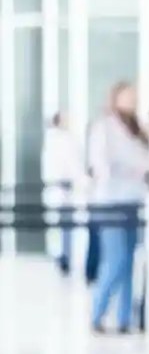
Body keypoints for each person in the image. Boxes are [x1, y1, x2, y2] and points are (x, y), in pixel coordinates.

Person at [86, 83, 149, 335]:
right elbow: (101, 163)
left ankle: (125, 318)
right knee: (116, 259)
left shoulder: (138, 127)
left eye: (134, 95)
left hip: (133, 199)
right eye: (127, 96)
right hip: (110, 200)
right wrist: (129, 168)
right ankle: (97, 313)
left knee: (129, 262)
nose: (132, 100)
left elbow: (146, 159)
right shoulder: (104, 126)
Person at [41, 112, 80, 275]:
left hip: (60, 189)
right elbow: (71, 166)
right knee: (65, 226)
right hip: (63, 188)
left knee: (64, 227)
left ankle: (63, 256)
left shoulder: (50, 141)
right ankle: (64, 257)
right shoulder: (63, 140)